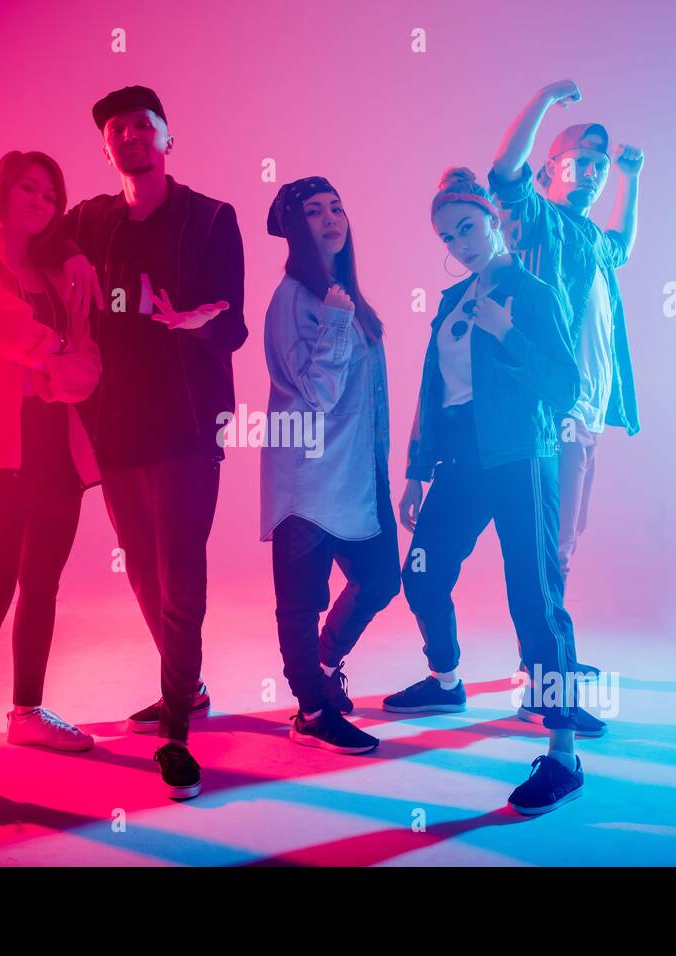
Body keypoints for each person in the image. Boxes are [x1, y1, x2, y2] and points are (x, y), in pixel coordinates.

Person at [381, 167, 597, 814]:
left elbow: (564, 387)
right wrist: (416, 471)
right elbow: (434, 391)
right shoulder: (452, 301)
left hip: (521, 456)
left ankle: (563, 752)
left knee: (534, 595)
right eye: (448, 236)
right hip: (459, 462)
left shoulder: (532, 292)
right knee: (422, 574)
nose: (460, 243)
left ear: (495, 221)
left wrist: (506, 331)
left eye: (468, 227)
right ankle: (447, 679)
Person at [52, 86, 247, 800]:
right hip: (115, 421)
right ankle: (187, 687)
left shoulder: (212, 217)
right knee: (139, 563)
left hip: (188, 422)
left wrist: (197, 323)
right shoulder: (89, 221)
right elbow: (37, 245)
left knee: (181, 571)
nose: (131, 136)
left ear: (168, 139)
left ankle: (176, 736)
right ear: (106, 149)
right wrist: (64, 265)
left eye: (143, 125)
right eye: (118, 130)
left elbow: (234, 326)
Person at [0, 151, 102, 822]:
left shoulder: (62, 274)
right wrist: (51, 351)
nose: (39, 200)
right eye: (27, 188)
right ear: (0, 193)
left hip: (57, 453)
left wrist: (55, 361)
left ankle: (28, 713)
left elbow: (89, 361)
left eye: (49, 193)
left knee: (42, 586)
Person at [490, 81, 643, 687]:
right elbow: (505, 173)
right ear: (550, 167)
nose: (592, 173)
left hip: (588, 414)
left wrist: (630, 179)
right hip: (553, 412)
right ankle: (544, 667)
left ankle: (548, 652)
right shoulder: (539, 222)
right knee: (549, 543)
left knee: (564, 540)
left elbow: (622, 246)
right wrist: (545, 99)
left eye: (599, 167)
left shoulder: (589, 238)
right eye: (580, 162)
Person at [260, 177, 400, 755]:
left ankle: (323, 663)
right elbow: (315, 395)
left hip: (359, 475)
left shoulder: (345, 295)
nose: (331, 218)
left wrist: (386, 466)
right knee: (301, 600)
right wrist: (338, 325)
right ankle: (312, 711)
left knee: (382, 578)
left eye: (337, 208)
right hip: (309, 479)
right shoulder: (291, 299)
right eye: (314, 211)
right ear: (296, 228)